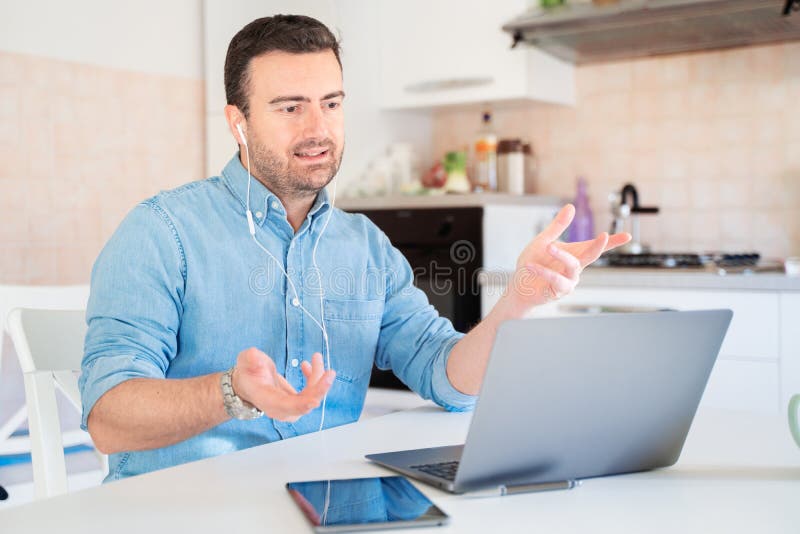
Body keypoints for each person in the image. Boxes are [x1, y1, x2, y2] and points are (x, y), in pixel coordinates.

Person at [79, 14, 630, 482]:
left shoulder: (365, 247)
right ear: (238, 123)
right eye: (290, 107)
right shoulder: (162, 232)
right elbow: (108, 418)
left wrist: (518, 300)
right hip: (183, 510)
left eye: (332, 103)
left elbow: (446, 377)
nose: (319, 128)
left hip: (323, 501)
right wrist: (230, 391)